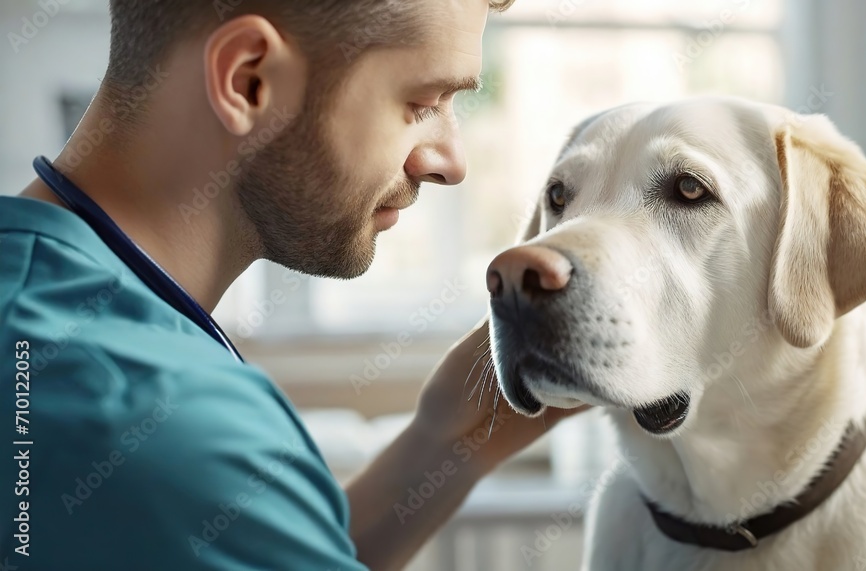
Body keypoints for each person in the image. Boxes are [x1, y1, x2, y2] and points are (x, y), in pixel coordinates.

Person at [0, 1, 582, 569]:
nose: (451, 163)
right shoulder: (161, 421)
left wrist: (451, 439)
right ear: (249, 80)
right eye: (423, 102)